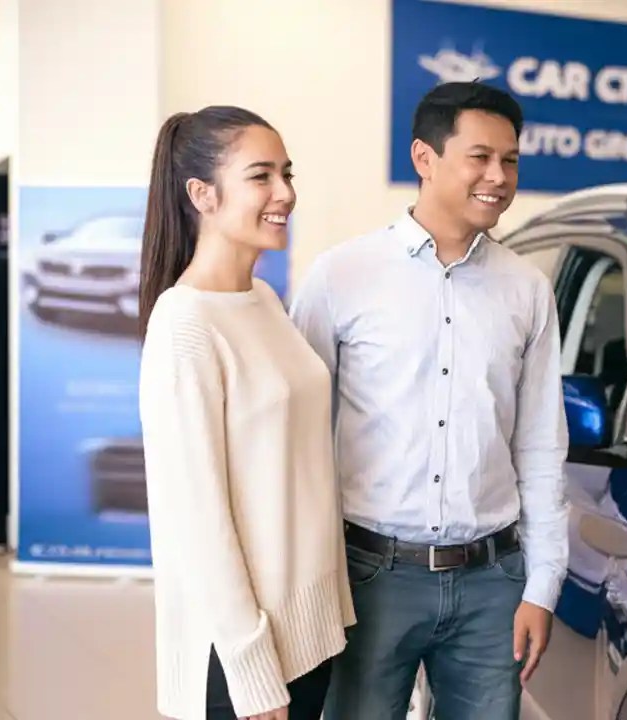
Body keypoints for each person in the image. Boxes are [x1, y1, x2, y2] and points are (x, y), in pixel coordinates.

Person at [290, 80, 569, 720]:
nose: (499, 177)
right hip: (368, 578)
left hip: (493, 582)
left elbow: (541, 445)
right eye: (480, 157)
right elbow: (300, 438)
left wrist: (542, 588)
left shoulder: (527, 291)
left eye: (511, 160)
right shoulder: (342, 276)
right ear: (424, 158)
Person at [137, 106, 356, 720]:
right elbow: (197, 521)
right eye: (261, 176)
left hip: (307, 634)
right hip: (241, 658)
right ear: (202, 195)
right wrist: (252, 669)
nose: (285, 193)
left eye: (287, 173)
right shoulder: (185, 324)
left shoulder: (262, 299)